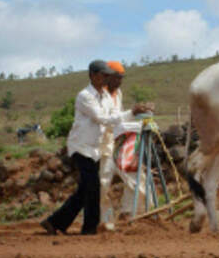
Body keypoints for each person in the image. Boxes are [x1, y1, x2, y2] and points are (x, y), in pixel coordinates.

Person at [40, 60, 148, 235]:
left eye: (107, 75)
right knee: (93, 188)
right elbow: (102, 119)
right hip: (81, 147)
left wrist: (135, 116)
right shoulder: (85, 96)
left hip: (95, 149)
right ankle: (89, 228)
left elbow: (115, 117)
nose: (106, 78)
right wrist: (132, 113)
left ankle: (54, 222)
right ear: (92, 76)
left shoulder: (106, 97)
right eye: (103, 75)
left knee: (85, 190)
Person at [98, 60, 125, 231]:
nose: (119, 81)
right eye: (117, 77)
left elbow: (119, 117)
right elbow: (105, 120)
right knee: (103, 183)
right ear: (107, 77)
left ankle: (129, 213)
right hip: (102, 145)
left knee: (135, 178)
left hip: (116, 142)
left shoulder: (118, 94)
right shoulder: (100, 95)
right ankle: (105, 221)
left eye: (121, 78)